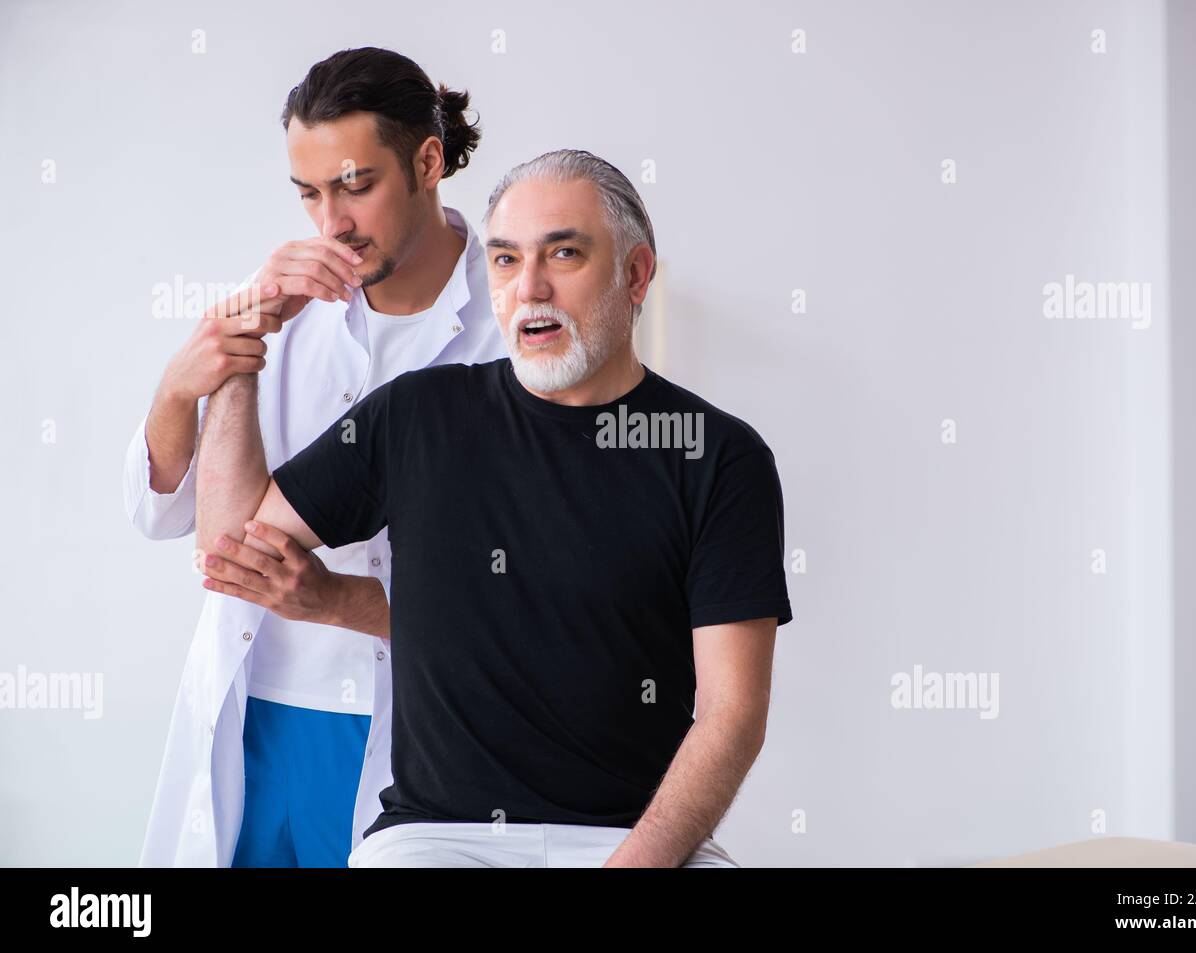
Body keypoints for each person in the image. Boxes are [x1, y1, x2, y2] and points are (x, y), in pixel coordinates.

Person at [193, 149, 793, 867]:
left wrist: (637, 863)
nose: (530, 287)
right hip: (435, 841)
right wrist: (242, 348)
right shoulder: (417, 415)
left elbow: (732, 716)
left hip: (639, 841)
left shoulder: (719, 456)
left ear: (635, 275)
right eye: (505, 260)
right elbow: (230, 544)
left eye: (564, 254)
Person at [126, 47, 504, 867]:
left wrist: (342, 598)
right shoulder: (279, 300)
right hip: (261, 705)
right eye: (309, 194)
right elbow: (165, 513)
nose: (330, 222)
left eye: (355, 185)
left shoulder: (507, 331)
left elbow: (529, 592)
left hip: (414, 717)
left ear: (428, 161)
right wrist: (179, 388)